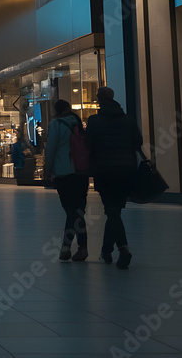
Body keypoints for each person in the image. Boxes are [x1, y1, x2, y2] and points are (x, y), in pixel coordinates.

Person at [86, 87, 142, 270]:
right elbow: (138, 142)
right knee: (114, 211)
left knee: (112, 212)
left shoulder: (94, 121)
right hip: (126, 171)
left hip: (104, 171)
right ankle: (106, 249)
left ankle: (124, 249)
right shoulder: (127, 120)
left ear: (98, 100)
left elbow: (89, 144)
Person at [44, 100, 89, 262]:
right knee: (78, 212)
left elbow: (51, 148)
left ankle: (66, 246)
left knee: (71, 211)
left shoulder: (57, 124)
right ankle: (82, 247)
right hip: (82, 172)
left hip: (64, 173)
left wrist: (47, 170)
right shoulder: (78, 123)